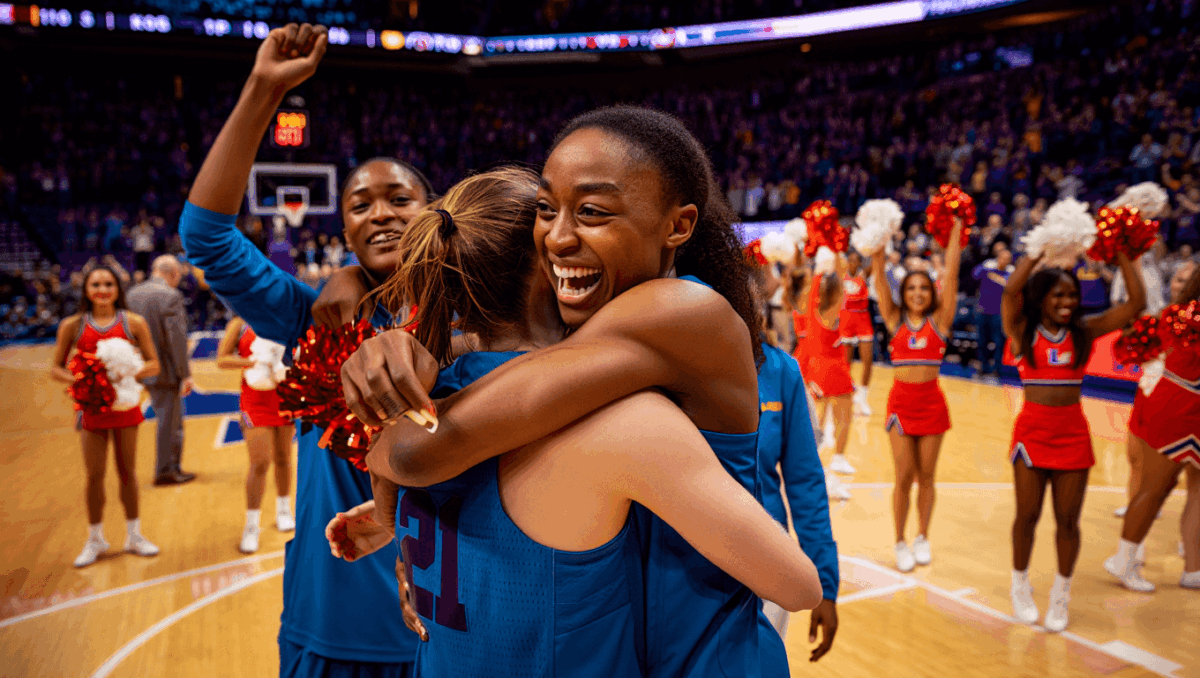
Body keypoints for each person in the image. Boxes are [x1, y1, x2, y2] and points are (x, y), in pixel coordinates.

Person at [344, 106, 798, 676]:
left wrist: (407, 405)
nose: (558, 237)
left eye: (591, 212)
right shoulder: (606, 338)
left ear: (677, 226)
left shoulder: (682, 310)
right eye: (545, 210)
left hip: (709, 657)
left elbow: (421, 447)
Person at [179, 24, 426, 677]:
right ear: (341, 223)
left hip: (446, 634)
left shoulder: (479, 321)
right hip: (328, 623)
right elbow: (205, 235)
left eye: (400, 198)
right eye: (360, 203)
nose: (380, 213)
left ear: (436, 215)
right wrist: (263, 89)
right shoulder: (309, 315)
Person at [1001, 250, 1145, 632]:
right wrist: (1037, 252)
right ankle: (1020, 585)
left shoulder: (1083, 332)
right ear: (1041, 297)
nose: (1067, 303)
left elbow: (1136, 304)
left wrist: (1123, 253)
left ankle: (1061, 595)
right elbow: (1009, 291)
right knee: (1027, 517)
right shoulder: (1023, 330)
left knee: (1068, 521)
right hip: (1031, 433)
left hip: (1072, 434)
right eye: (1058, 295)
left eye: (1072, 296)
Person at [50, 265, 162, 567]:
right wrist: (84, 379)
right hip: (92, 410)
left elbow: (154, 364)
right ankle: (95, 538)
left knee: (127, 473)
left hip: (125, 408)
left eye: (109, 284)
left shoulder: (133, 323)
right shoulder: (72, 326)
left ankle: (134, 535)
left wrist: (128, 371)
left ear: (117, 289)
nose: (103, 290)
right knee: (94, 476)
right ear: (86, 289)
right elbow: (56, 368)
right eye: (96, 284)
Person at [870, 220, 964, 572]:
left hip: (932, 405)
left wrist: (956, 232)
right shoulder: (894, 320)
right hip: (900, 406)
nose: (919, 293)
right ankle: (899, 541)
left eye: (924, 288)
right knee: (903, 476)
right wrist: (877, 247)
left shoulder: (940, 321)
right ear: (903, 292)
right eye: (912, 288)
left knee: (927, 476)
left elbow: (951, 276)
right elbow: (880, 282)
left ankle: (922, 536)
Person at [1106, 262, 1200, 591]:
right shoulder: (1183, 315)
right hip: (1178, 405)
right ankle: (1124, 558)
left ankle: (1193, 566)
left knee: (1199, 493)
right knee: (1155, 487)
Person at [756, 337, 841, 661]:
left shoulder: (782, 371)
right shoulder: (681, 357)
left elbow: (806, 484)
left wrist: (825, 582)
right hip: (690, 572)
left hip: (768, 563)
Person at [217, 316, 296, 554]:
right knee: (259, 463)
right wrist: (252, 362)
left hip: (285, 398)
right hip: (255, 402)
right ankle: (251, 526)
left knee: (284, 458)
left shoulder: (287, 318)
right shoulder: (239, 324)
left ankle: (284, 510)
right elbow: (222, 360)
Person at [126, 255, 196, 486]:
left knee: (161, 418)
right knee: (170, 422)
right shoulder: (171, 296)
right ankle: (167, 470)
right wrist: (184, 374)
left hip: (140, 367)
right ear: (174, 273)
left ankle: (165, 467)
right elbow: (176, 339)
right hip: (166, 370)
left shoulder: (132, 294)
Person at [805, 253, 857, 478]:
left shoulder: (811, 309)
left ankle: (810, 458)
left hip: (815, 369)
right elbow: (841, 278)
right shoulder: (831, 312)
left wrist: (819, 271)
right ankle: (838, 458)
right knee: (844, 417)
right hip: (835, 369)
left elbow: (816, 282)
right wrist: (835, 252)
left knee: (817, 417)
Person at [840, 250, 875, 417]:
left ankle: (863, 398)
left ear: (860, 263)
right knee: (846, 363)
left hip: (862, 318)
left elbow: (876, 262)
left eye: (855, 260)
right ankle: (849, 391)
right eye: (850, 260)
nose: (852, 263)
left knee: (867, 360)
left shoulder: (864, 274)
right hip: (846, 319)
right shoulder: (841, 275)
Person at [972, 245, 1013, 378]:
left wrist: (996, 277)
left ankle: (996, 369)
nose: (1004, 261)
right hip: (983, 309)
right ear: (998, 258)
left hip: (1000, 312)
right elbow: (975, 275)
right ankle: (983, 367)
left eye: (1007, 259)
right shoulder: (988, 266)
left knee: (999, 342)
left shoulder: (1011, 273)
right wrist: (984, 266)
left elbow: (1013, 287)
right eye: (1002, 258)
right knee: (982, 340)